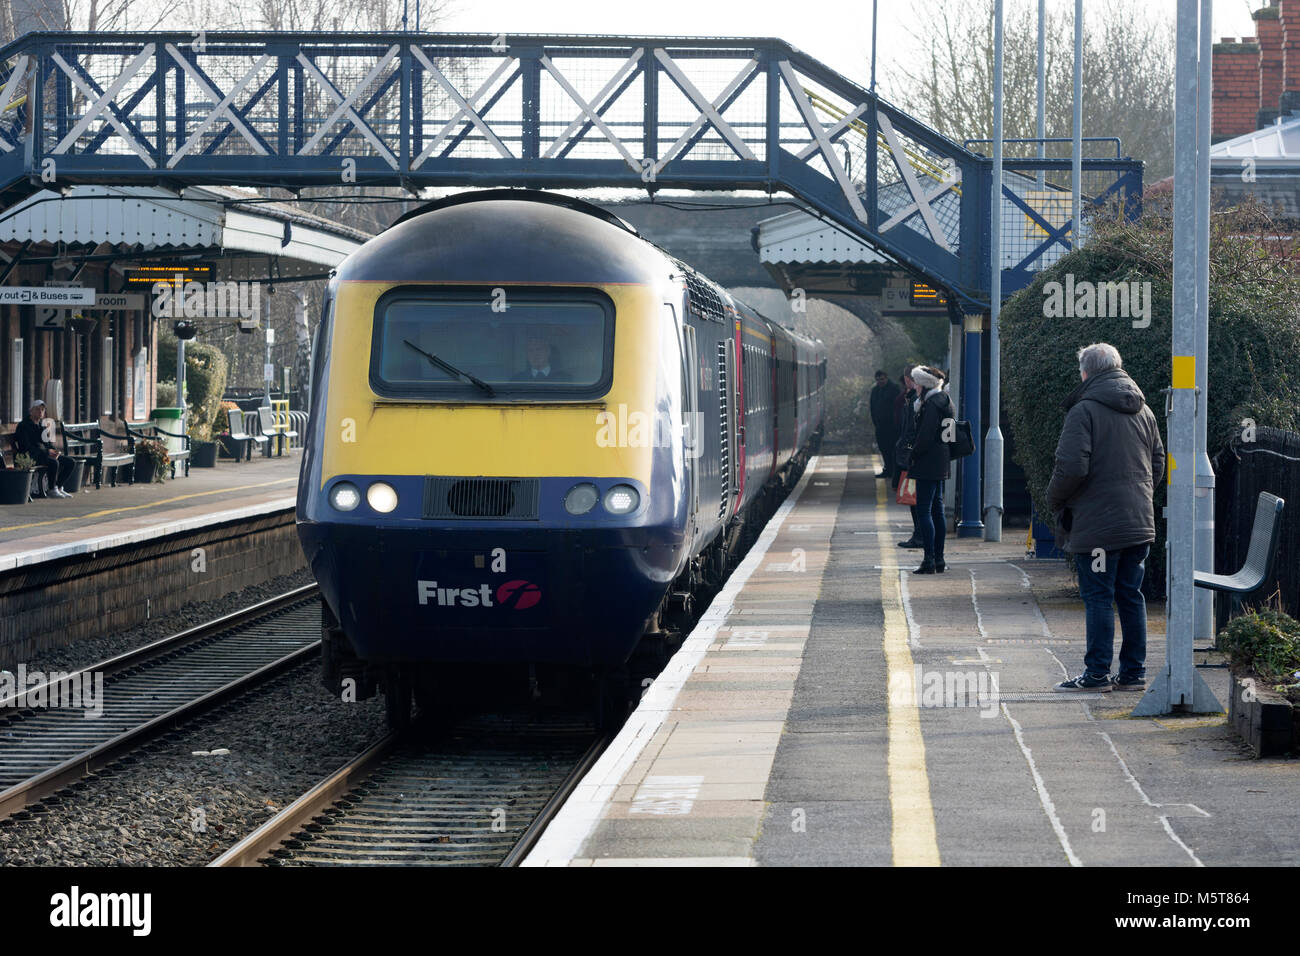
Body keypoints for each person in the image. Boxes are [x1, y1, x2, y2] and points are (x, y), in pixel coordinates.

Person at [1048, 344, 1164, 694]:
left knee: (1099, 597)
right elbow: (1157, 462)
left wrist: (1055, 498)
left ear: (1087, 372)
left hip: (1098, 525)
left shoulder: (1084, 411)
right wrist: (1139, 496)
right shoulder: (1144, 410)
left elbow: (1071, 467)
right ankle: (1133, 673)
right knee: (1131, 595)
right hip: (1137, 519)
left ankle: (1097, 673)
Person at [905, 365, 953, 574]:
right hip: (941, 458)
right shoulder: (945, 401)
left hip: (927, 461)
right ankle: (939, 559)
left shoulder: (931, 405)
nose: (914, 386)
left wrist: (913, 454)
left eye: (916, 382)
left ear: (924, 385)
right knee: (937, 509)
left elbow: (925, 436)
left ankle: (929, 560)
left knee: (924, 510)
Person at [15, 400, 74, 498]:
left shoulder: (41, 425)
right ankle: (51, 490)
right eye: (37, 409)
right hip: (31, 456)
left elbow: (47, 443)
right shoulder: (23, 426)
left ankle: (58, 487)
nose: (40, 412)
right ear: (31, 411)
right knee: (53, 463)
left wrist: (54, 451)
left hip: (43, 454)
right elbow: (26, 447)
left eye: (42, 410)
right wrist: (47, 452)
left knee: (70, 462)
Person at [894, 370, 922, 549]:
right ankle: (918, 535)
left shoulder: (917, 401)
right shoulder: (914, 399)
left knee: (917, 500)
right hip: (913, 454)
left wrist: (906, 450)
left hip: (915, 457)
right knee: (916, 500)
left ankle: (920, 536)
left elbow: (911, 430)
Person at [869, 370, 900, 479]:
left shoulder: (894, 389)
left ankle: (894, 471)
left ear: (886, 378)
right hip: (880, 426)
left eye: (882, 379)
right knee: (883, 448)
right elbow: (872, 407)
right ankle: (887, 469)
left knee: (892, 448)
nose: (880, 382)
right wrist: (876, 422)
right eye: (878, 380)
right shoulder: (875, 391)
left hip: (892, 426)